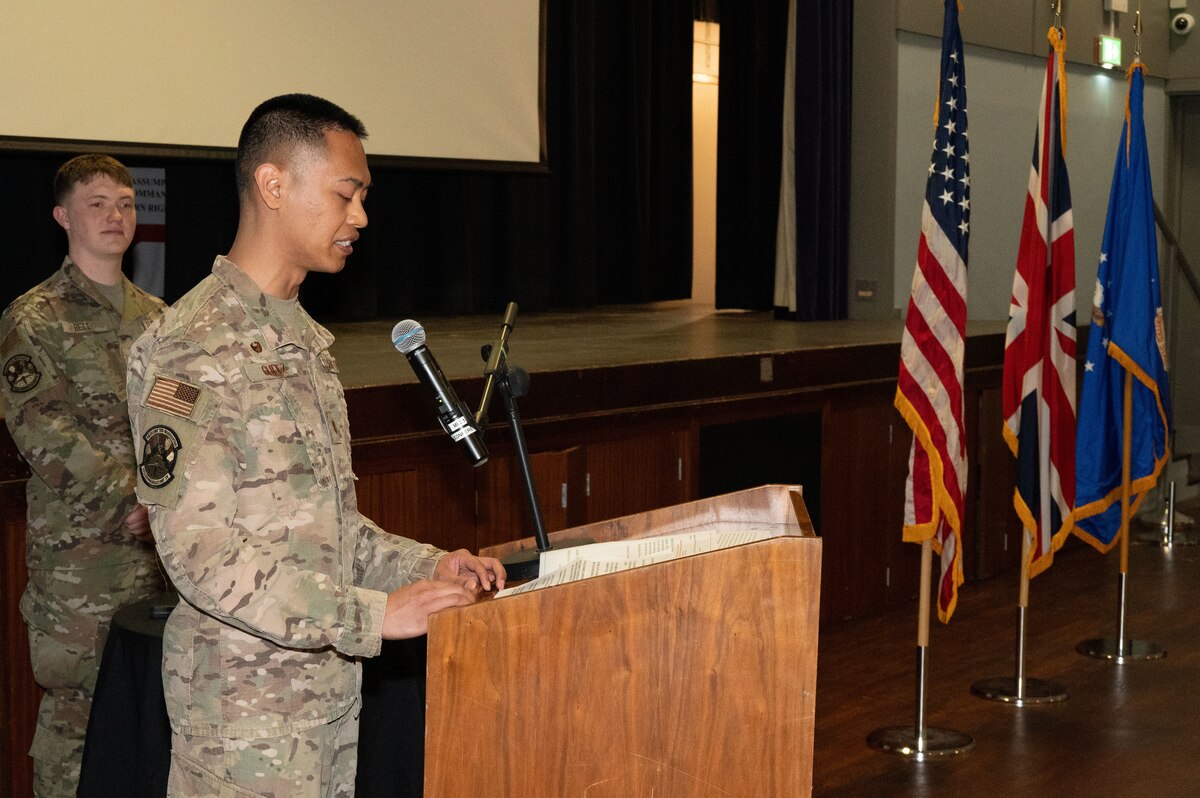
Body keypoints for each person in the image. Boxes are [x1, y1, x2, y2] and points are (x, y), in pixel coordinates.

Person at [126, 94, 506, 797]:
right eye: (345, 193)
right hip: (241, 725)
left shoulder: (306, 343)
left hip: (326, 709)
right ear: (274, 185)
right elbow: (198, 554)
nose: (360, 216)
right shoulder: (190, 345)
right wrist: (374, 615)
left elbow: (331, 532)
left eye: (362, 197)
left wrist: (428, 568)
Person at [0, 154, 165, 797]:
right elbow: (42, 434)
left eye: (125, 202)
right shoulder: (31, 318)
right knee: (77, 726)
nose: (116, 215)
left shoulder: (159, 319)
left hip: (158, 555)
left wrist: (164, 500)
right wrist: (134, 497)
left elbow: (181, 422)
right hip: (82, 566)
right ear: (63, 216)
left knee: (151, 717)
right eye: (97, 203)